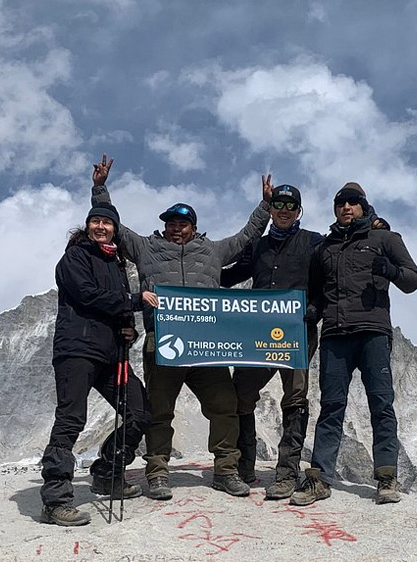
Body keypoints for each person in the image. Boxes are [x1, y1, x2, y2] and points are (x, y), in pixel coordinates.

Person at [91, 155, 273, 500]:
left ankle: (226, 471)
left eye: (182, 223)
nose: (176, 228)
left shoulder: (213, 251)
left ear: (194, 226)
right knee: (159, 412)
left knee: (225, 405)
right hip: (163, 342)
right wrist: (100, 189)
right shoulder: (147, 248)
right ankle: (158, 474)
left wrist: (265, 206)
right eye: (171, 223)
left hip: (207, 346)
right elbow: (116, 227)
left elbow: (246, 238)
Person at [221, 184, 389, 499]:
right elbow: (227, 276)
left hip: (297, 331)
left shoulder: (315, 243)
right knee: (240, 393)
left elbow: (334, 273)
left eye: (291, 206)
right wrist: (189, 272)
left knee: (295, 398)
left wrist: (314, 309)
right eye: (279, 205)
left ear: (299, 211)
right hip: (257, 334)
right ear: (271, 209)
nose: (284, 210)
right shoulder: (258, 246)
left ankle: (286, 474)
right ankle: (244, 466)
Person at [292, 182, 417, 506]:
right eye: (341, 203)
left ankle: (386, 478)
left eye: (352, 202)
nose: (346, 207)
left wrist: (391, 270)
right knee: (331, 407)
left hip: (373, 332)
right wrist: (313, 310)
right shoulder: (325, 248)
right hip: (335, 335)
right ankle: (320, 480)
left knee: (381, 404)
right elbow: (317, 292)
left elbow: (413, 280)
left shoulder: (385, 239)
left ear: (363, 206)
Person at [39, 203, 157, 527]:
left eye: (107, 222)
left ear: (114, 229)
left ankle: (106, 474)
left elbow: (119, 312)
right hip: (77, 351)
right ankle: (55, 501)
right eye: (96, 221)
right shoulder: (74, 258)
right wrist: (134, 299)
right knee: (70, 420)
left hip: (111, 355)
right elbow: (87, 295)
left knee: (140, 411)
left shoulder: (116, 263)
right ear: (88, 226)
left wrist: (130, 331)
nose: (101, 226)